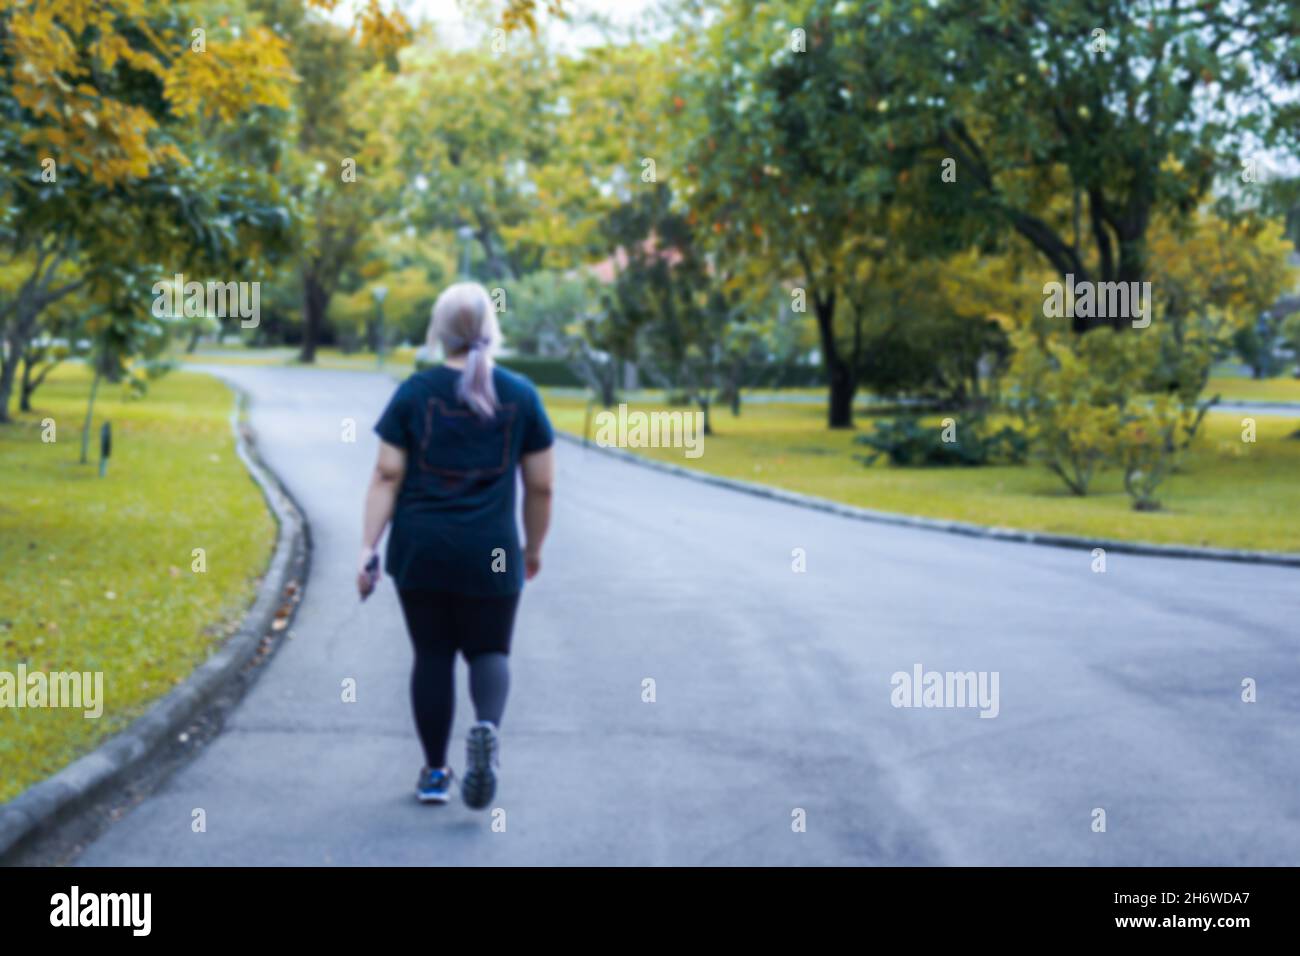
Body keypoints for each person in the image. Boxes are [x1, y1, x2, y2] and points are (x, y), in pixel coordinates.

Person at [358, 281, 555, 809]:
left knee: (433, 655)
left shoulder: (414, 393)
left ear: (437, 333)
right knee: (490, 650)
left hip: (422, 549)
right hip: (492, 550)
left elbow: (385, 475)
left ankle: (434, 773)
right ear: (491, 331)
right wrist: (531, 549)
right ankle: (486, 727)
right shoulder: (520, 394)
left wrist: (367, 548)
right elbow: (541, 485)